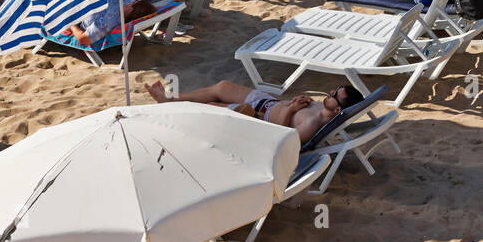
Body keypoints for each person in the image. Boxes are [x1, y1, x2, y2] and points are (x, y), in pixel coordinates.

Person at [147, 80, 363, 145]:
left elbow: (282, 137)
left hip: (256, 116)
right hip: (267, 102)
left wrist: (290, 110)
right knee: (222, 87)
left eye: (334, 94)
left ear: (337, 109)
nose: (330, 91)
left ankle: (169, 105)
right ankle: (170, 98)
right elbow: (294, 108)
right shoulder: (322, 106)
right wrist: (297, 102)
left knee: (211, 106)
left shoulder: (312, 125)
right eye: (334, 89)